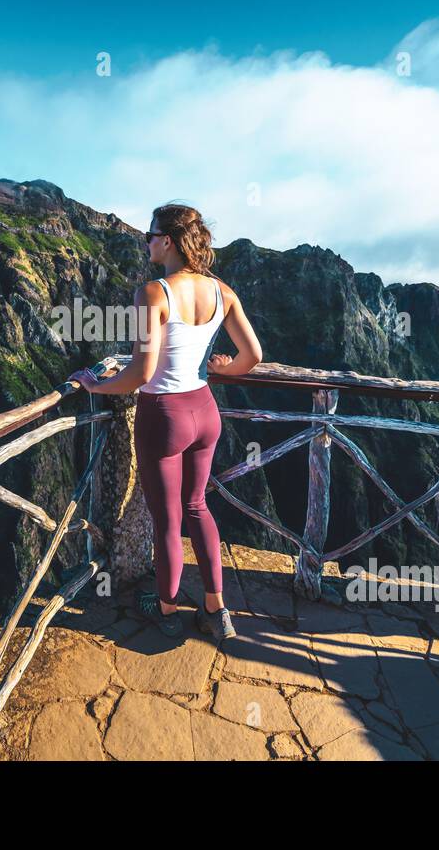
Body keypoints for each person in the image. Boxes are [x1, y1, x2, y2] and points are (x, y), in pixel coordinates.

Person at [68, 203, 263, 639]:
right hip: (204, 410)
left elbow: (139, 373)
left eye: (151, 235)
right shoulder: (222, 292)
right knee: (197, 506)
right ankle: (217, 611)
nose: (146, 242)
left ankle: (166, 607)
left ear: (169, 241)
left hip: (164, 416)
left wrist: (94, 386)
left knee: (168, 520)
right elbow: (253, 357)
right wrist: (222, 367)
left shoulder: (153, 293)